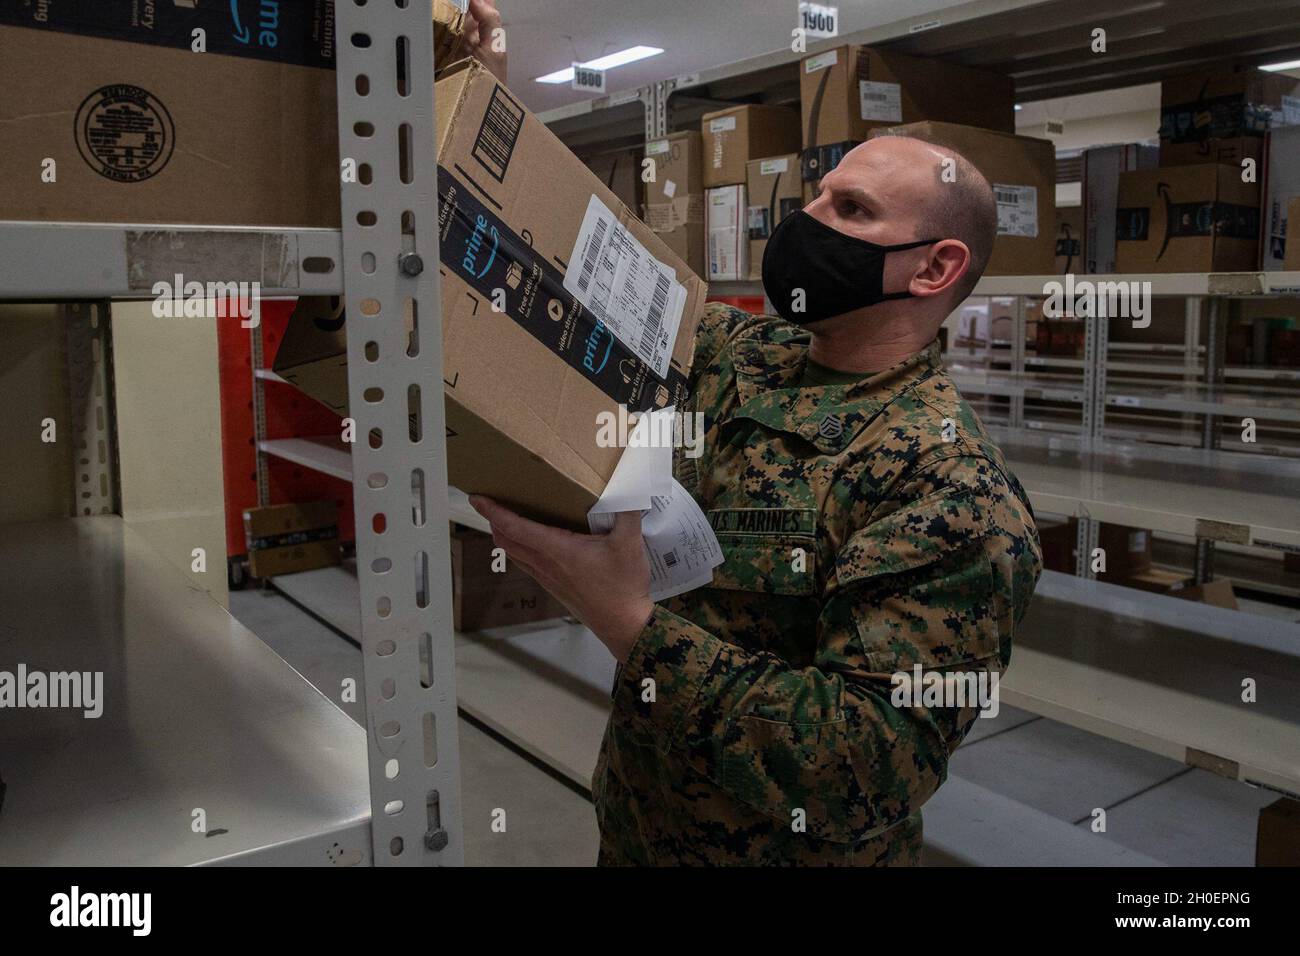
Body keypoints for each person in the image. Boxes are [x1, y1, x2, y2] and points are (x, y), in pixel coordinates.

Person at [464, 22, 1041, 865]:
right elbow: (563, 263)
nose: (805, 222)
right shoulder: (739, 355)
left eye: (851, 211)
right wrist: (485, 98)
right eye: (817, 197)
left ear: (933, 269)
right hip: (634, 831)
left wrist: (625, 619)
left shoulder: (951, 492)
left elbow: (864, 766)